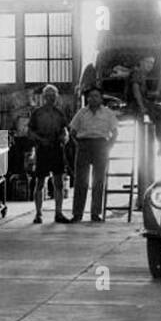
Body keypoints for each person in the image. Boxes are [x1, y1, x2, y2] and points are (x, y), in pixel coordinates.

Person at [68, 87, 120, 223]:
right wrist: (78, 144)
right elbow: (72, 131)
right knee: (81, 181)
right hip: (84, 146)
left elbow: (115, 132)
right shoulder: (82, 112)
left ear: (101, 99)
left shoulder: (108, 113)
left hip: (101, 145)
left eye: (96, 96)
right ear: (88, 98)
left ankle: (95, 213)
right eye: (91, 96)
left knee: (98, 181)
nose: (93, 98)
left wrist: (109, 146)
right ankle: (77, 214)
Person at [27, 85, 70, 224]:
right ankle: (38, 214)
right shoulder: (37, 113)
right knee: (39, 182)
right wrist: (41, 140)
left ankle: (58, 213)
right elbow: (30, 132)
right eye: (48, 95)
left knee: (58, 183)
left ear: (56, 97)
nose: (51, 98)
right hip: (42, 150)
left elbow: (65, 129)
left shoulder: (59, 113)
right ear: (44, 97)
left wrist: (64, 137)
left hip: (57, 150)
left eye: (53, 95)